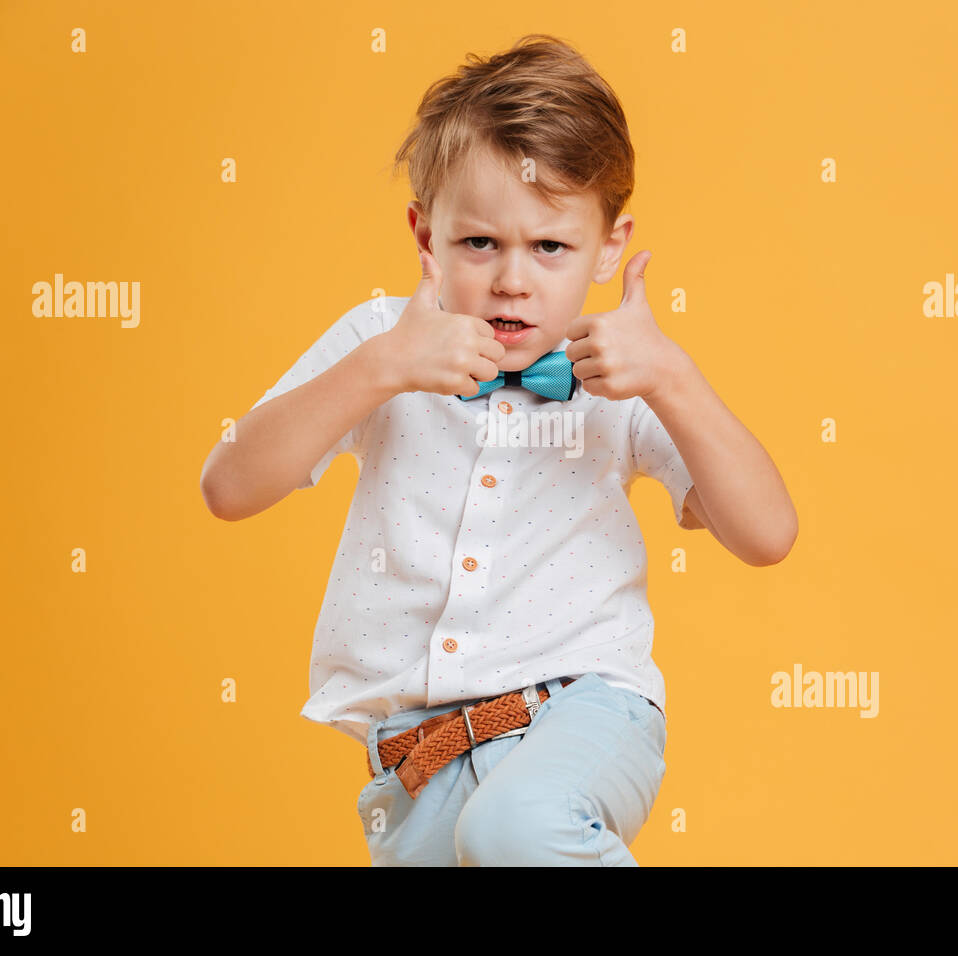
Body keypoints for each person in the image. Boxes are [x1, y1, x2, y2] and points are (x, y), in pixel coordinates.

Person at [199, 34, 798, 866]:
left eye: (550, 247)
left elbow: (767, 535)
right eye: (480, 243)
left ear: (608, 246)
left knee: (515, 826)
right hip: (419, 759)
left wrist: (673, 377)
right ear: (425, 237)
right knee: (493, 837)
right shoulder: (383, 342)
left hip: (584, 712)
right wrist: (379, 370)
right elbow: (229, 485)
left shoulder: (621, 372)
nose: (514, 279)